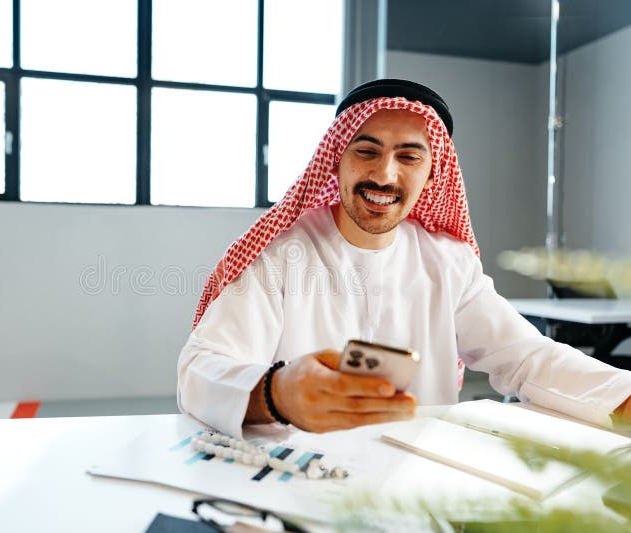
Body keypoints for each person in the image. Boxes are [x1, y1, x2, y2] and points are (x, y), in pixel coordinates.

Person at [177, 79, 631, 438]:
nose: (384, 173)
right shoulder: (279, 255)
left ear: (432, 174)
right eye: (367, 151)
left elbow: (525, 357)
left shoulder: (448, 262)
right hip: (300, 471)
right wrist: (277, 393)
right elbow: (201, 370)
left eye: (409, 156)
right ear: (337, 159)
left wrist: (621, 396)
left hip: (419, 479)